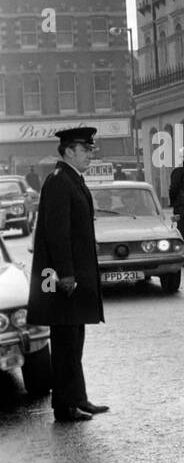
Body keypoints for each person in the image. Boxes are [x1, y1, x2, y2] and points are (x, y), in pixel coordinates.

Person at [26, 127, 108, 422]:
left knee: (74, 341)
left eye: (90, 150)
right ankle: (65, 406)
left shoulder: (71, 179)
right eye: (86, 150)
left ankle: (77, 397)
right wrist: (67, 274)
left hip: (73, 276)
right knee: (65, 344)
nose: (90, 155)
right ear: (69, 150)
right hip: (66, 280)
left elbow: (72, 228)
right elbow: (57, 234)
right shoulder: (61, 181)